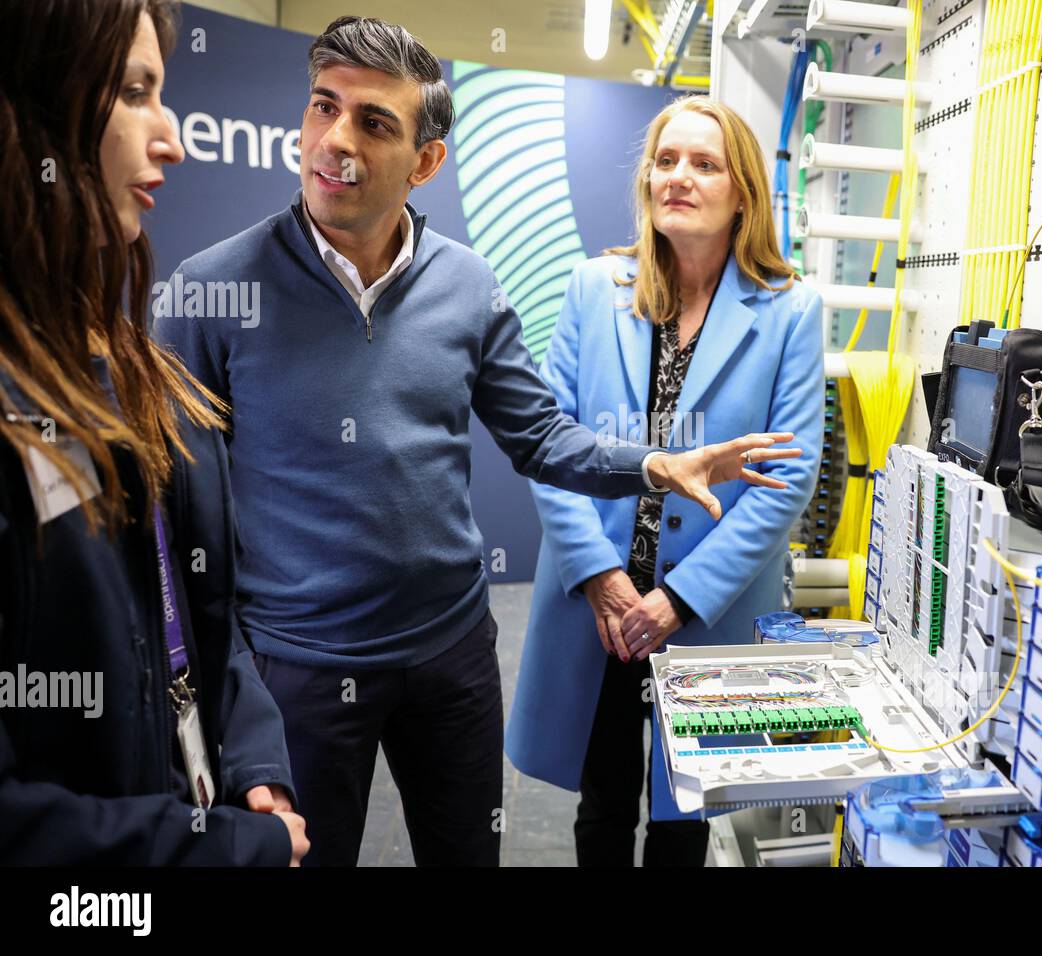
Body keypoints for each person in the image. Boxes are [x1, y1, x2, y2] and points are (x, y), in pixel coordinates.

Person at [153, 16, 800, 867]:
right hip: (298, 671)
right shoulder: (209, 293)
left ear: (426, 162)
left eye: (374, 122)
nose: (335, 141)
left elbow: (540, 436)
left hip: (450, 657)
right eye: (323, 107)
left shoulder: (467, 283)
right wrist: (237, 723)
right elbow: (180, 540)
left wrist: (651, 464)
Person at [0, 0, 307, 865]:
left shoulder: (134, 363)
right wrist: (221, 852)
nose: (170, 139)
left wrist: (251, 760)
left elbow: (206, 609)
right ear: (36, 103)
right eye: (136, 92)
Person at [505, 97, 824, 866]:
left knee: (685, 818)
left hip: (703, 614)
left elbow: (787, 476)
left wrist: (680, 599)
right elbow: (553, 446)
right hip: (602, 608)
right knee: (603, 805)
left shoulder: (790, 311)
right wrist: (601, 576)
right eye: (666, 160)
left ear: (743, 192)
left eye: (704, 164)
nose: (677, 177)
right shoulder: (593, 288)